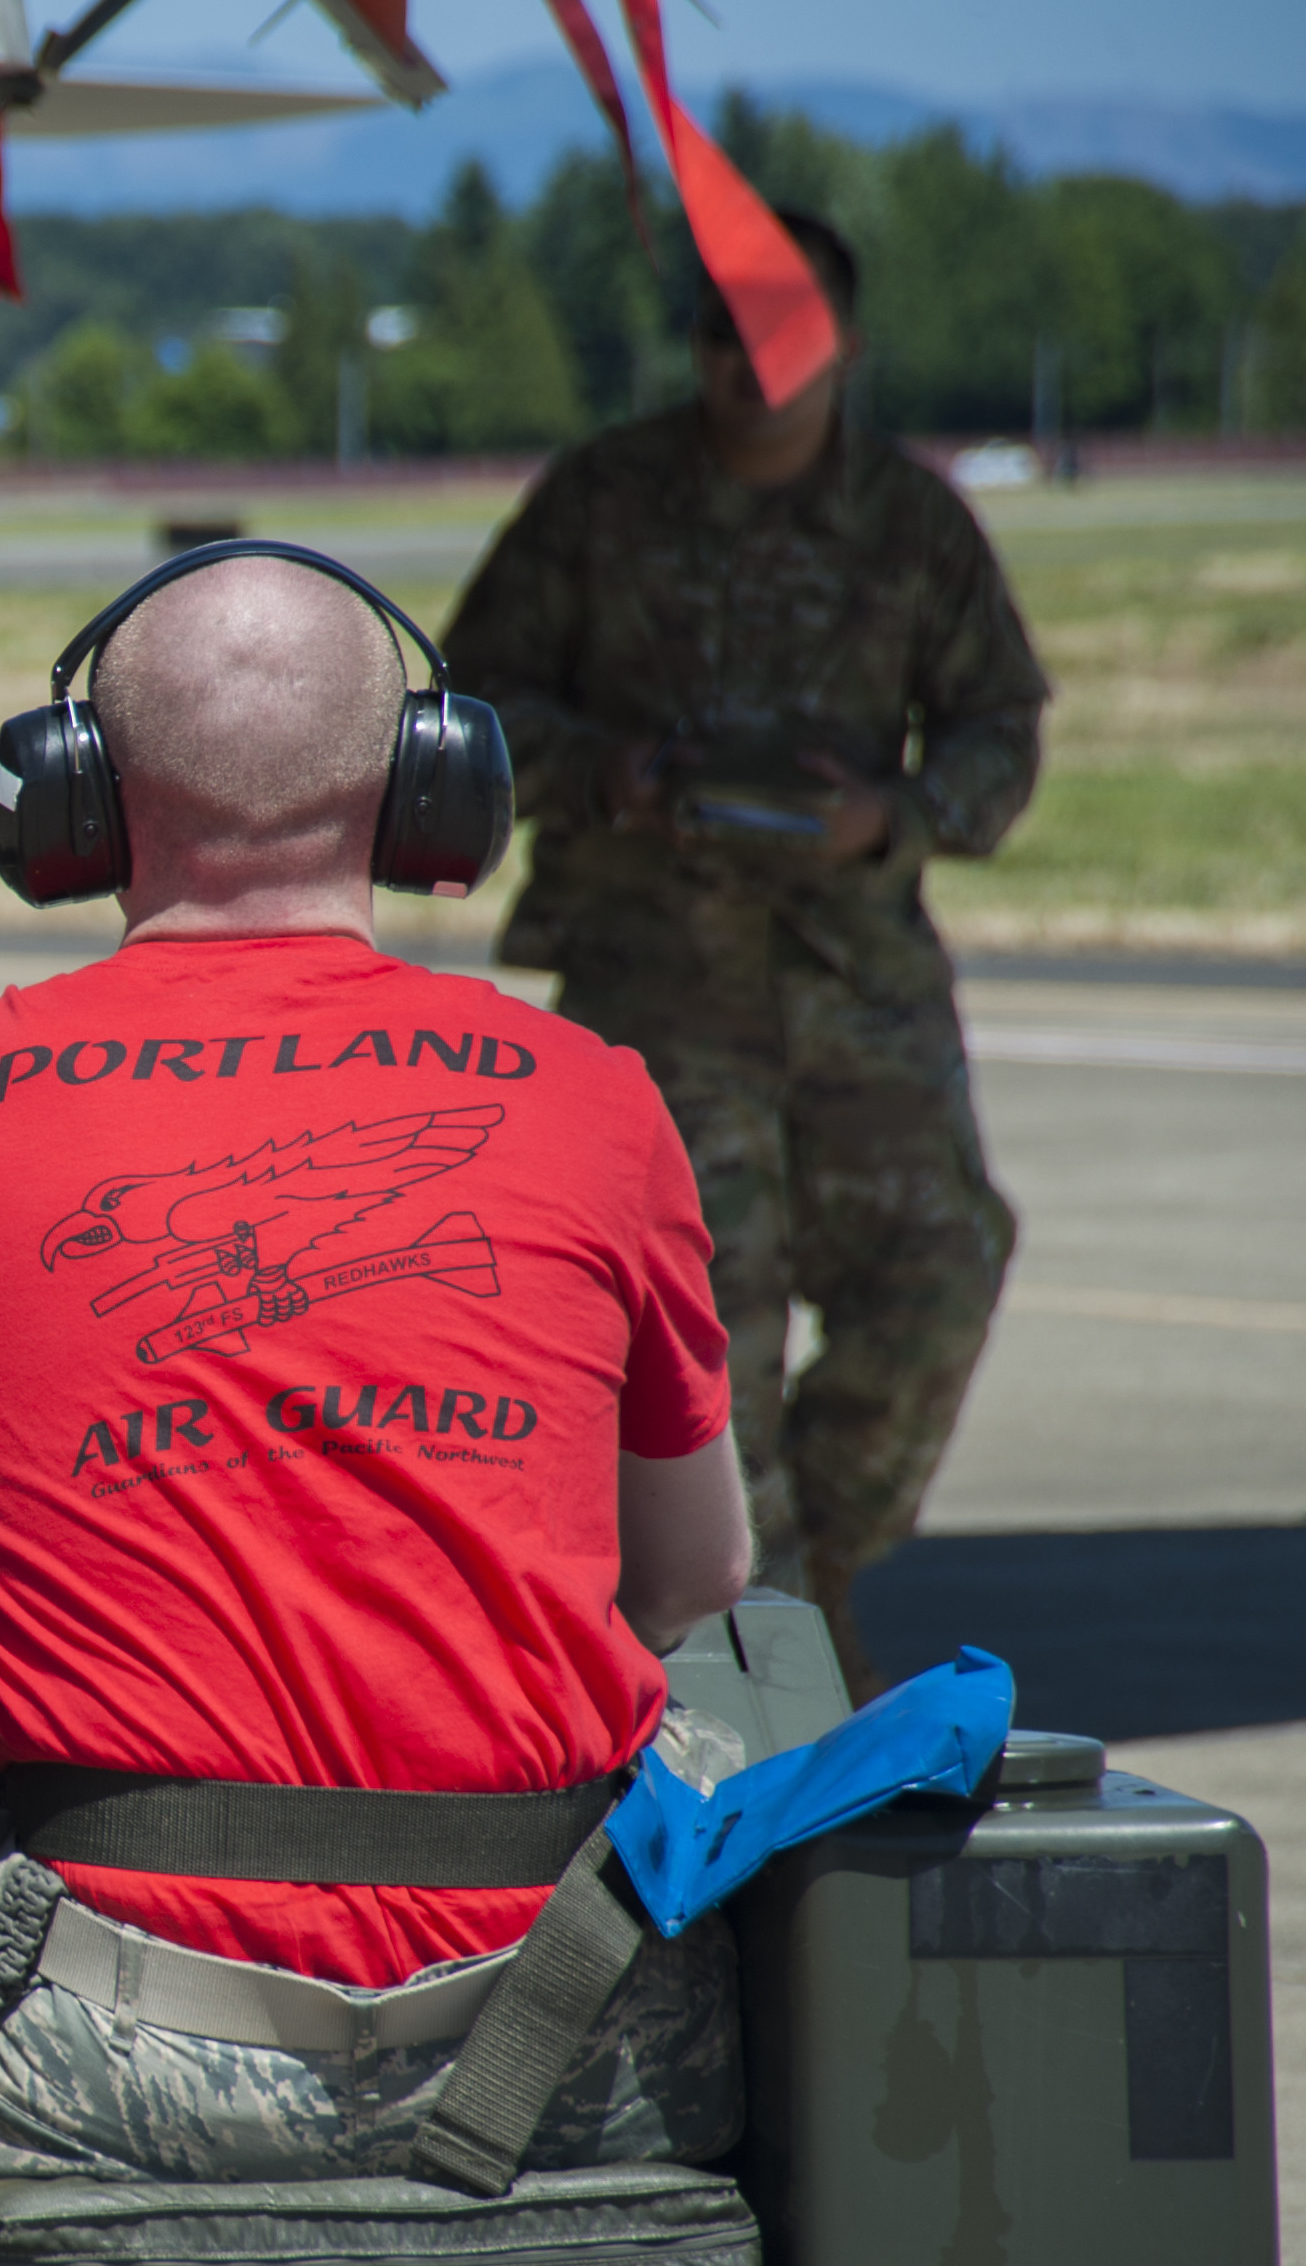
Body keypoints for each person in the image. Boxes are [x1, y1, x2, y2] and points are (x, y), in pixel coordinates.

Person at [0, 552, 754, 2196]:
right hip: (563, 2049)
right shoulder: (595, 1098)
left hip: (99, 2065)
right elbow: (691, 1576)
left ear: (77, 805)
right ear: (424, 791)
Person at [447, 211, 1048, 1699]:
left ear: (838, 344)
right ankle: (763, 1671)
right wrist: (612, 775)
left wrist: (889, 819)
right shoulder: (603, 501)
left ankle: (812, 1580)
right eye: (720, 332)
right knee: (710, 1336)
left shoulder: (910, 524)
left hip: (858, 986)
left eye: (778, 335)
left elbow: (999, 727)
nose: (746, 366)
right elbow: (474, 703)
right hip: (662, 989)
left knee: (942, 1273)